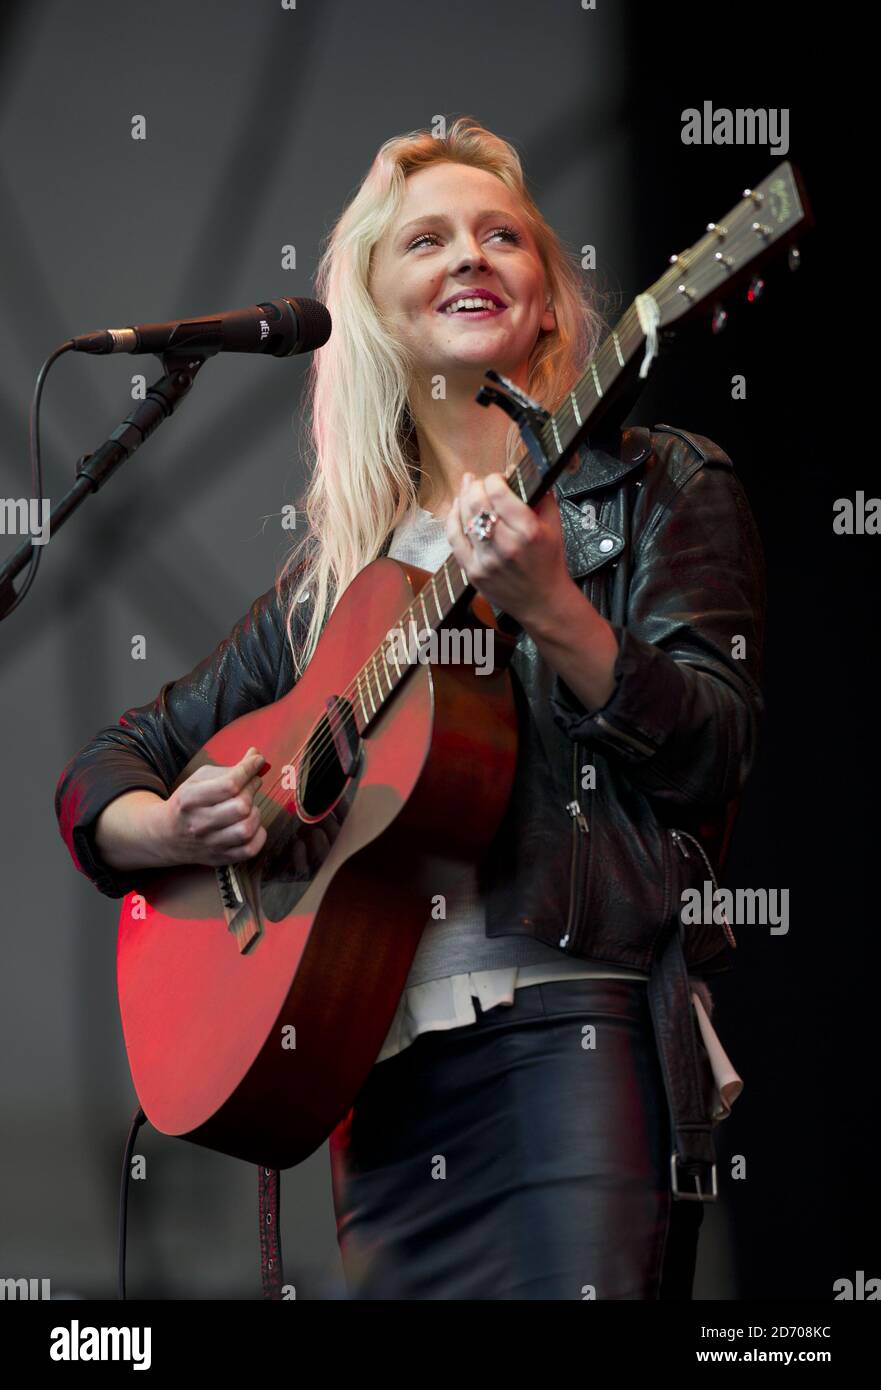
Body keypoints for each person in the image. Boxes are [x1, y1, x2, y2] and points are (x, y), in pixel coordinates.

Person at [55, 117, 764, 1300]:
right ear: (377, 312)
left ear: (546, 304)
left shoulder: (657, 486)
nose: (469, 257)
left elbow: (712, 749)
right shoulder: (331, 591)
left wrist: (554, 608)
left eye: (502, 237)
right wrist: (166, 829)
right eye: (425, 240)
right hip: (376, 1094)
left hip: (570, 1047)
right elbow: (107, 762)